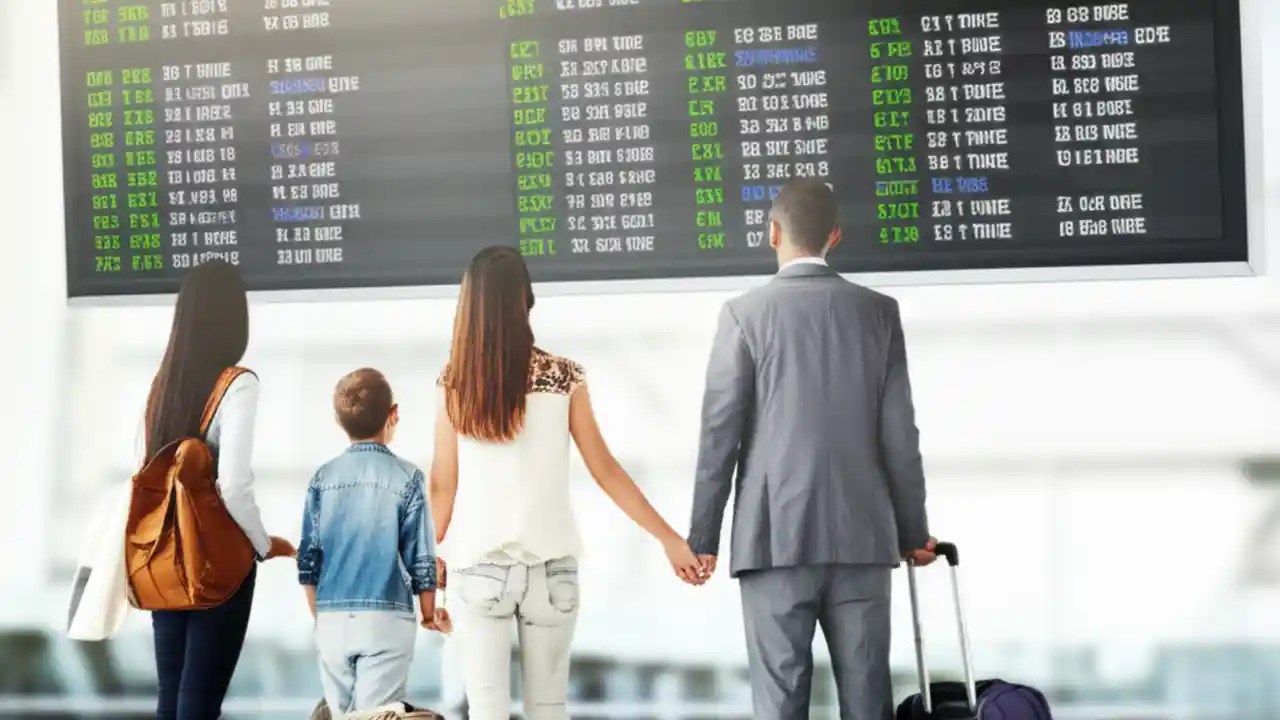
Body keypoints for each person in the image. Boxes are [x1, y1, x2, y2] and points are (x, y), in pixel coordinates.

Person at [687, 180, 938, 720]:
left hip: (773, 537)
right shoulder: (878, 313)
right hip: (864, 538)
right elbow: (901, 435)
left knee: (780, 703)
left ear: (772, 232)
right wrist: (913, 533)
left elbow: (719, 434)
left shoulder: (743, 314)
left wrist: (702, 538)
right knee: (869, 702)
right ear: (835, 236)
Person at [430, 246, 705, 720]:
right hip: (552, 566)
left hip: (478, 568)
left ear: (470, 304)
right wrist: (669, 539)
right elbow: (605, 470)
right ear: (526, 299)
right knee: (550, 708)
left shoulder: (455, 383)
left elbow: (442, 489)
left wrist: (421, 566)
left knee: (487, 709)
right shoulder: (563, 377)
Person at [145, 260, 295, 720]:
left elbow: (148, 470)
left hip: (162, 560)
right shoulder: (238, 383)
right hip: (216, 565)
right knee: (200, 703)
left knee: (171, 696)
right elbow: (233, 486)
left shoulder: (163, 385)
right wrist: (265, 545)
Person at [298, 368, 440, 717]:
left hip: (331, 617)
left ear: (338, 420)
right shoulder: (408, 477)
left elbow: (308, 561)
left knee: (340, 715)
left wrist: (322, 616)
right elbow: (420, 556)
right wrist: (427, 611)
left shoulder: (322, 478)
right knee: (378, 716)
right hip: (385, 616)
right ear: (393, 415)